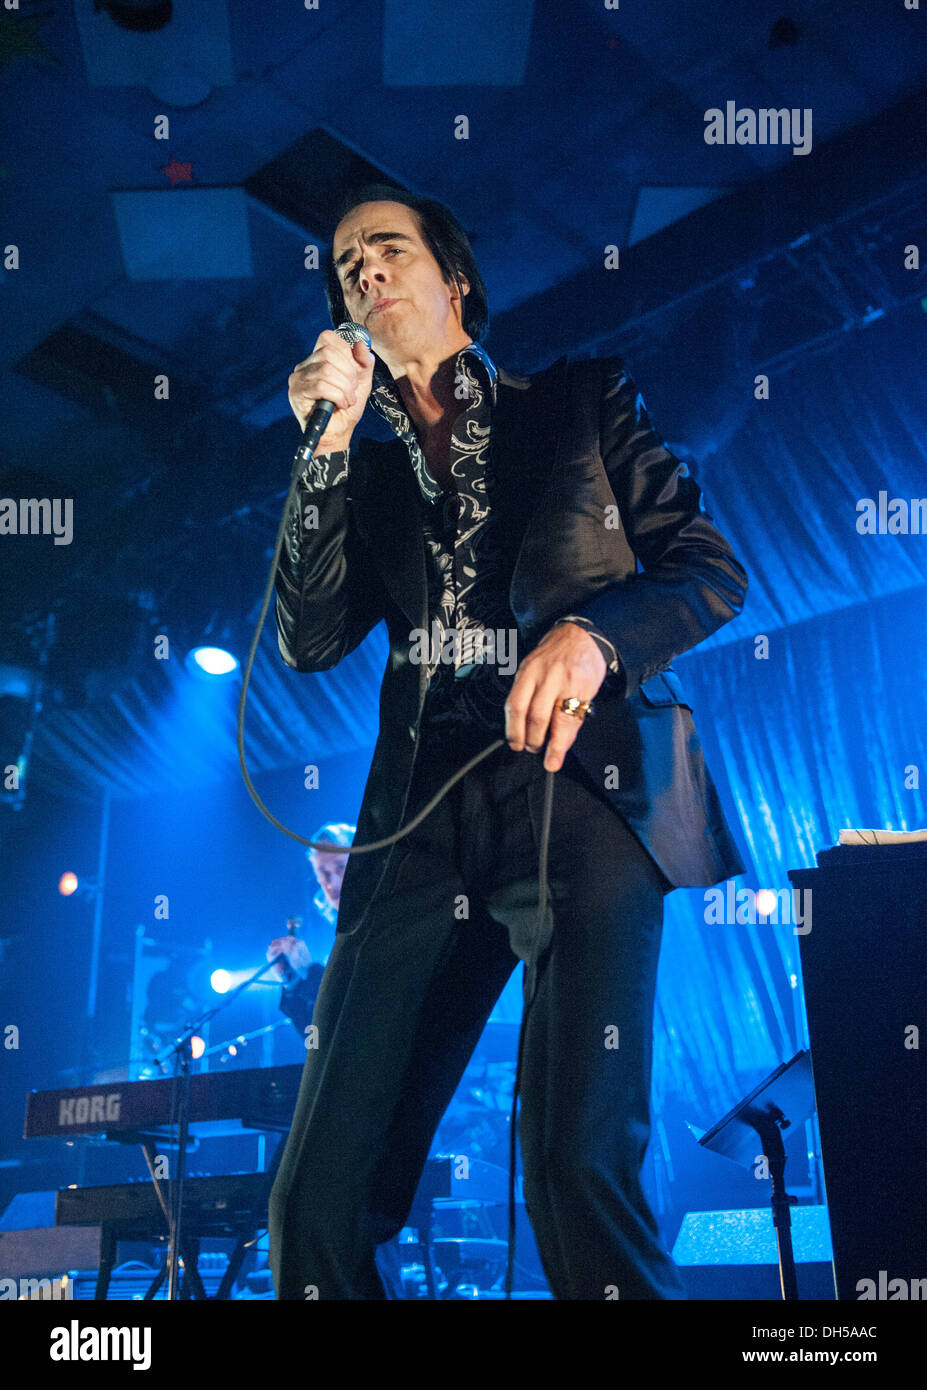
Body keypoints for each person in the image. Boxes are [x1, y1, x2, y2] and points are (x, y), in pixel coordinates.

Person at [267, 184, 749, 1300]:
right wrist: (323, 455)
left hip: (582, 789)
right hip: (423, 818)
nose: (364, 273)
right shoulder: (362, 468)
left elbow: (709, 567)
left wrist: (592, 638)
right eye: (344, 268)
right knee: (318, 1191)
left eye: (386, 249)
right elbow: (308, 637)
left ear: (457, 280)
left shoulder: (579, 400)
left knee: (572, 1163)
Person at [265, 822, 354, 1035]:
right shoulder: (340, 934)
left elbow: (358, 1009)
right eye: (323, 873)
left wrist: (309, 971)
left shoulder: (385, 923)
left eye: (340, 868)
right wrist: (293, 980)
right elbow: (317, 1038)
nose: (332, 883)